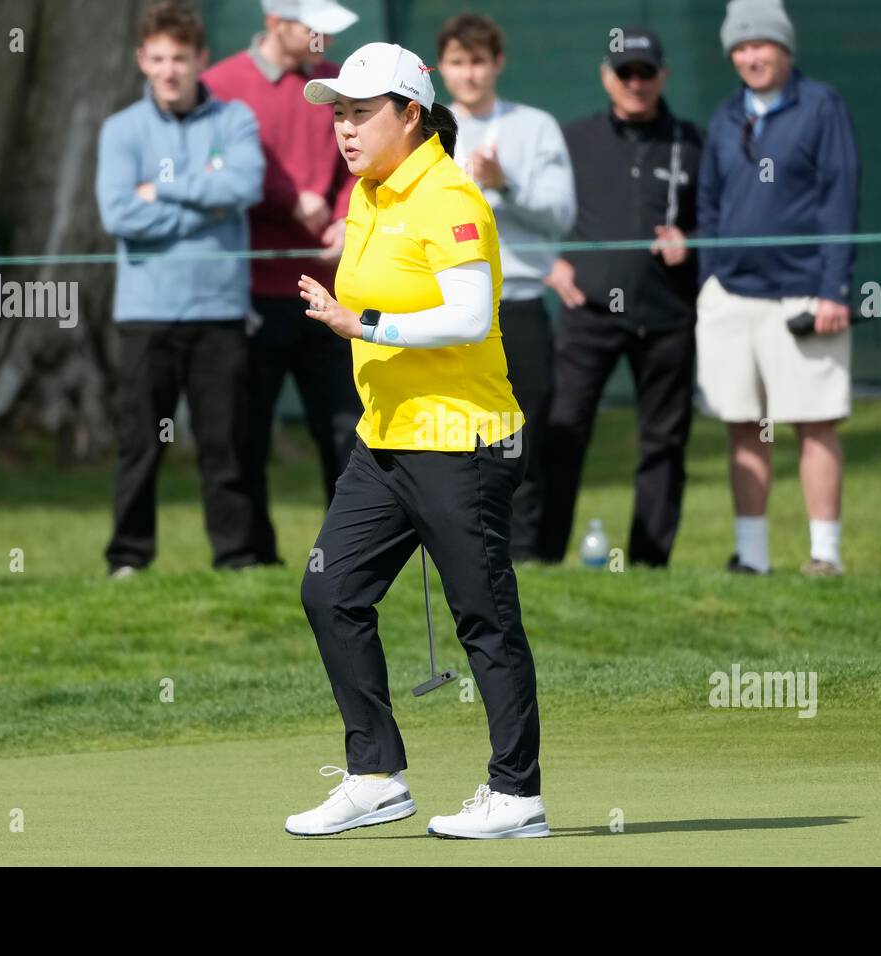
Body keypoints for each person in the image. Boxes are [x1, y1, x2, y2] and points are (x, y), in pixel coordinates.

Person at [287, 43, 546, 839]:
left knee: (483, 615)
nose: (345, 128)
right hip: (386, 441)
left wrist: (358, 322)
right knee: (330, 592)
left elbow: (470, 316)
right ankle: (374, 776)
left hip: (461, 442)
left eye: (361, 112)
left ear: (411, 115)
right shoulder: (368, 192)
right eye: (337, 113)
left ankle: (517, 796)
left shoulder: (450, 195)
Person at [95, 1, 266, 576]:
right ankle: (129, 557)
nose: (170, 70)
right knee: (141, 443)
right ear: (143, 60)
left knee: (227, 442)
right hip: (146, 312)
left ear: (201, 60)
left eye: (181, 58)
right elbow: (119, 215)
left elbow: (245, 183)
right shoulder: (120, 130)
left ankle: (237, 555)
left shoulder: (235, 119)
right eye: (159, 58)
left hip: (220, 308)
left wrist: (161, 193)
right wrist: (208, 204)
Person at [695, 0, 860, 576]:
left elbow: (841, 199)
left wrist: (835, 288)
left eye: (761, 44)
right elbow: (709, 206)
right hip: (731, 297)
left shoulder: (822, 107)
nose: (750, 56)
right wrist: (708, 277)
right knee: (742, 424)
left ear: (785, 48)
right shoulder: (723, 118)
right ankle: (752, 558)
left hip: (805, 294)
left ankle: (825, 556)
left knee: (814, 424)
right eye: (739, 47)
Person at [204, 0, 363, 566]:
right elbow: (215, 170)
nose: (323, 39)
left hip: (329, 295)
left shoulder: (336, 82)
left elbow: (357, 166)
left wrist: (345, 215)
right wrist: (289, 200)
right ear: (276, 22)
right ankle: (249, 557)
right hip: (248, 292)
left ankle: (348, 555)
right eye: (313, 27)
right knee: (244, 433)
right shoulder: (218, 84)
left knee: (344, 431)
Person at [538, 28, 703, 567]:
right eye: (625, 72)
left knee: (663, 441)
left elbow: (723, 221)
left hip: (668, 314)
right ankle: (543, 556)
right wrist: (548, 262)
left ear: (663, 77)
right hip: (588, 313)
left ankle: (651, 562)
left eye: (646, 72)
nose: (636, 83)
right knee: (562, 433)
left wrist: (692, 244)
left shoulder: (693, 142)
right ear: (607, 77)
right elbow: (530, 210)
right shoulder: (571, 140)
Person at [436, 13, 575, 561]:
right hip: (446, 306)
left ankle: (525, 551)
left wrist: (504, 185)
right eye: (456, 62)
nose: (468, 74)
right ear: (441, 67)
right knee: (453, 436)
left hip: (515, 301)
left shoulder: (535, 126)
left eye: (477, 61)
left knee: (522, 433)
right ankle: (460, 544)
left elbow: (560, 215)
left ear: (497, 64)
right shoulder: (425, 126)